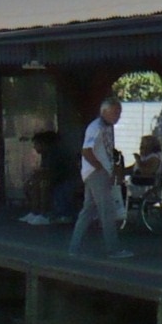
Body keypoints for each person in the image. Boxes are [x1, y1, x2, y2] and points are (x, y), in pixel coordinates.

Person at [68, 96, 130, 259]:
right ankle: (113, 249)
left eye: (119, 112)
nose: (118, 116)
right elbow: (86, 150)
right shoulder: (96, 127)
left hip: (95, 173)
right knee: (107, 211)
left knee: (88, 210)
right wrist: (101, 168)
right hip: (97, 173)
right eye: (115, 112)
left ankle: (74, 248)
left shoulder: (106, 128)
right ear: (105, 111)